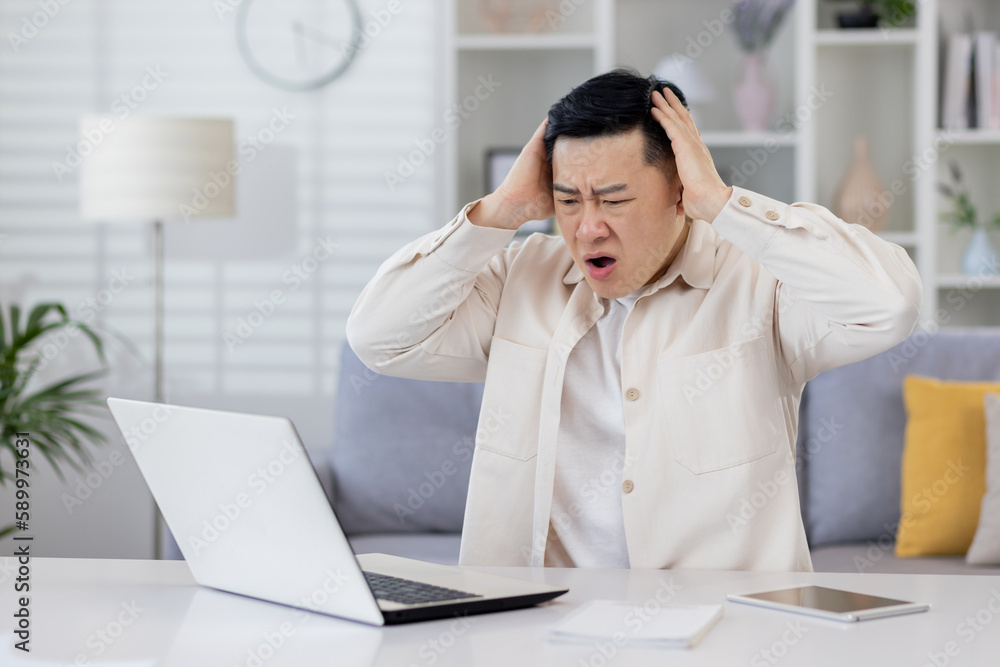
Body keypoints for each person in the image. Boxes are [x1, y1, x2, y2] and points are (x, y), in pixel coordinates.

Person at [347, 68, 921, 571]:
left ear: (678, 191)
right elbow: (378, 338)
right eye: (569, 201)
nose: (587, 228)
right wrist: (502, 213)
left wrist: (722, 203)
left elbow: (888, 305)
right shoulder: (519, 279)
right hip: (530, 631)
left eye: (614, 200)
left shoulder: (759, 283)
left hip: (724, 636)